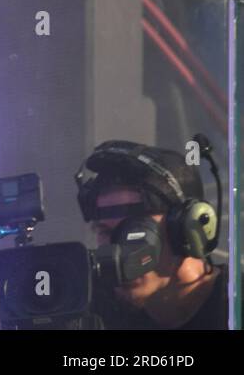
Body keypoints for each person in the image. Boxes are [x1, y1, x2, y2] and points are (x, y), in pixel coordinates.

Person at [77, 140, 227, 329]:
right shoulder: (91, 310)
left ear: (187, 229)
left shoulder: (234, 307)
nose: (116, 254)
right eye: (105, 232)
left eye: (134, 233)